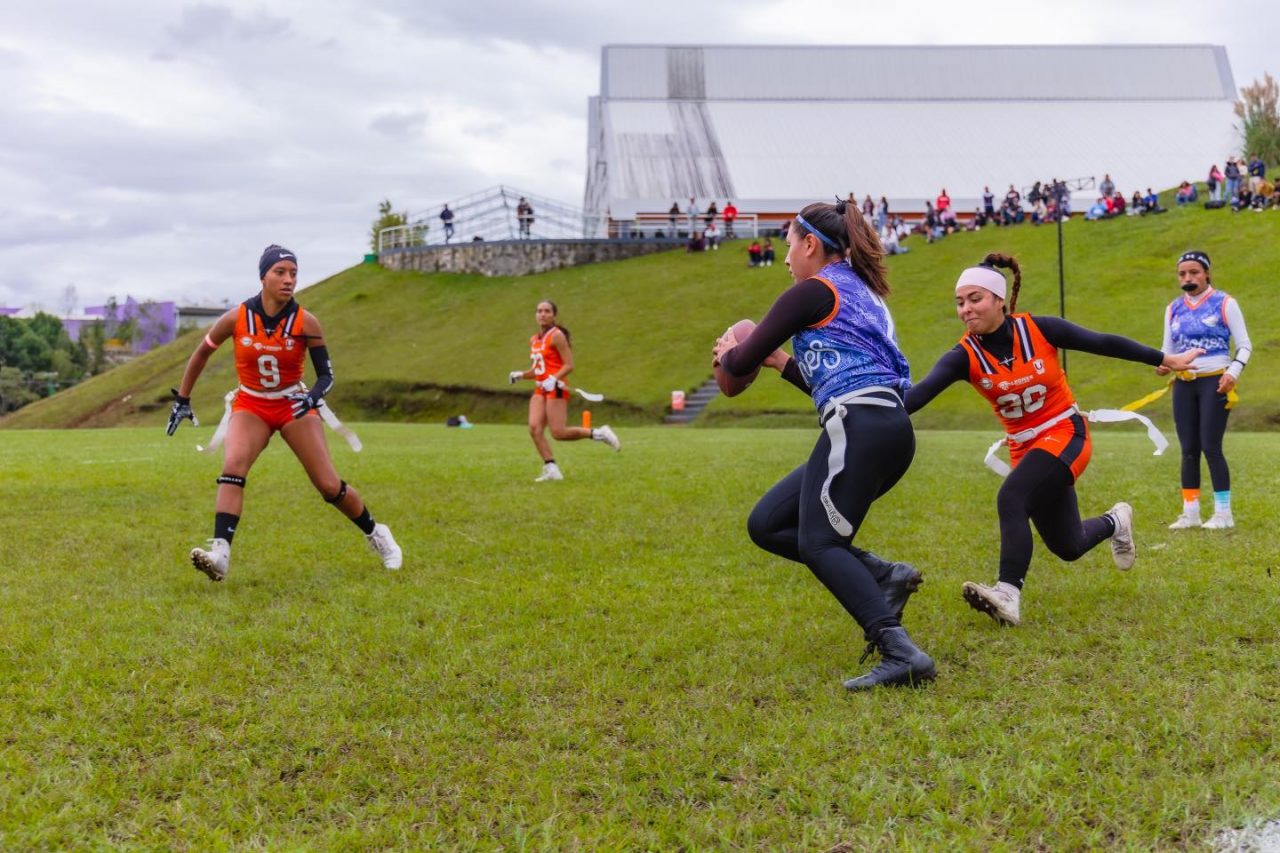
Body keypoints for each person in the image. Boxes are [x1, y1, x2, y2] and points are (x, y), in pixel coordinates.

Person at [904, 254, 1201, 627]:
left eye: (975, 298)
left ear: (999, 298)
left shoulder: (1040, 329)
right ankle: (1115, 522)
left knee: (1011, 497)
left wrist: (1164, 358)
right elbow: (913, 399)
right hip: (1024, 447)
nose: (965, 309)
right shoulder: (962, 356)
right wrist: (854, 403)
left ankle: (1007, 594)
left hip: (1066, 432)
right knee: (1069, 545)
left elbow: (1103, 342)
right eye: (960, 302)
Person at [713, 198, 933, 690]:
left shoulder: (811, 291)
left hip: (858, 425)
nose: (786, 257)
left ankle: (901, 651)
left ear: (811, 244)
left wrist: (730, 354)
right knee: (767, 524)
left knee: (819, 543)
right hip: (885, 426)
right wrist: (777, 362)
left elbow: (737, 360)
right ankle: (883, 575)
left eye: (789, 244)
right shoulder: (864, 293)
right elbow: (832, 380)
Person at [166, 244, 402, 581]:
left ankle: (377, 534)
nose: (288, 279)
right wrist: (183, 399)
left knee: (328, 485)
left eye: (293, 273)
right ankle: (220, 555)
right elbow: (201, 354)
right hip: (252, 403)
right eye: (280, 272)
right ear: (263, 276)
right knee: (233, 466)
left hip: (293, 403)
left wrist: (313, 398)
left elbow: (326, 375)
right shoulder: (236, 317)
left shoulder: (306, 321)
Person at [1159, 251, 1252, 529]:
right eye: (1182, 273)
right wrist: (1162, 363)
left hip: (1215, 380)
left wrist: (1232, 373)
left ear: (1207, 273)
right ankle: (1191, 512)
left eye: (1194, 272)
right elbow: (1168, 348)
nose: (1188, 278)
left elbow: (1245, 344)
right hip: (1184, 383)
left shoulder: (1225, 303)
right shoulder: (1173, 308)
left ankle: (1223, 514)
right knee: (1188, 449)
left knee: (1211, 447)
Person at [508, 300, 620, 481]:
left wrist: (553, 379)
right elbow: (537, 370)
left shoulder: (557, 336)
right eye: (539, 311)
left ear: (553, 315)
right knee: (534, 428)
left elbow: (569, 365)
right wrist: (520, 374)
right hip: (540, 389)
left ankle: (599, 433)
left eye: (546, 311)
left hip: (556, 389)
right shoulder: (534, 339)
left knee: (558, 433)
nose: (542, 314)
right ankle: (551, 468)